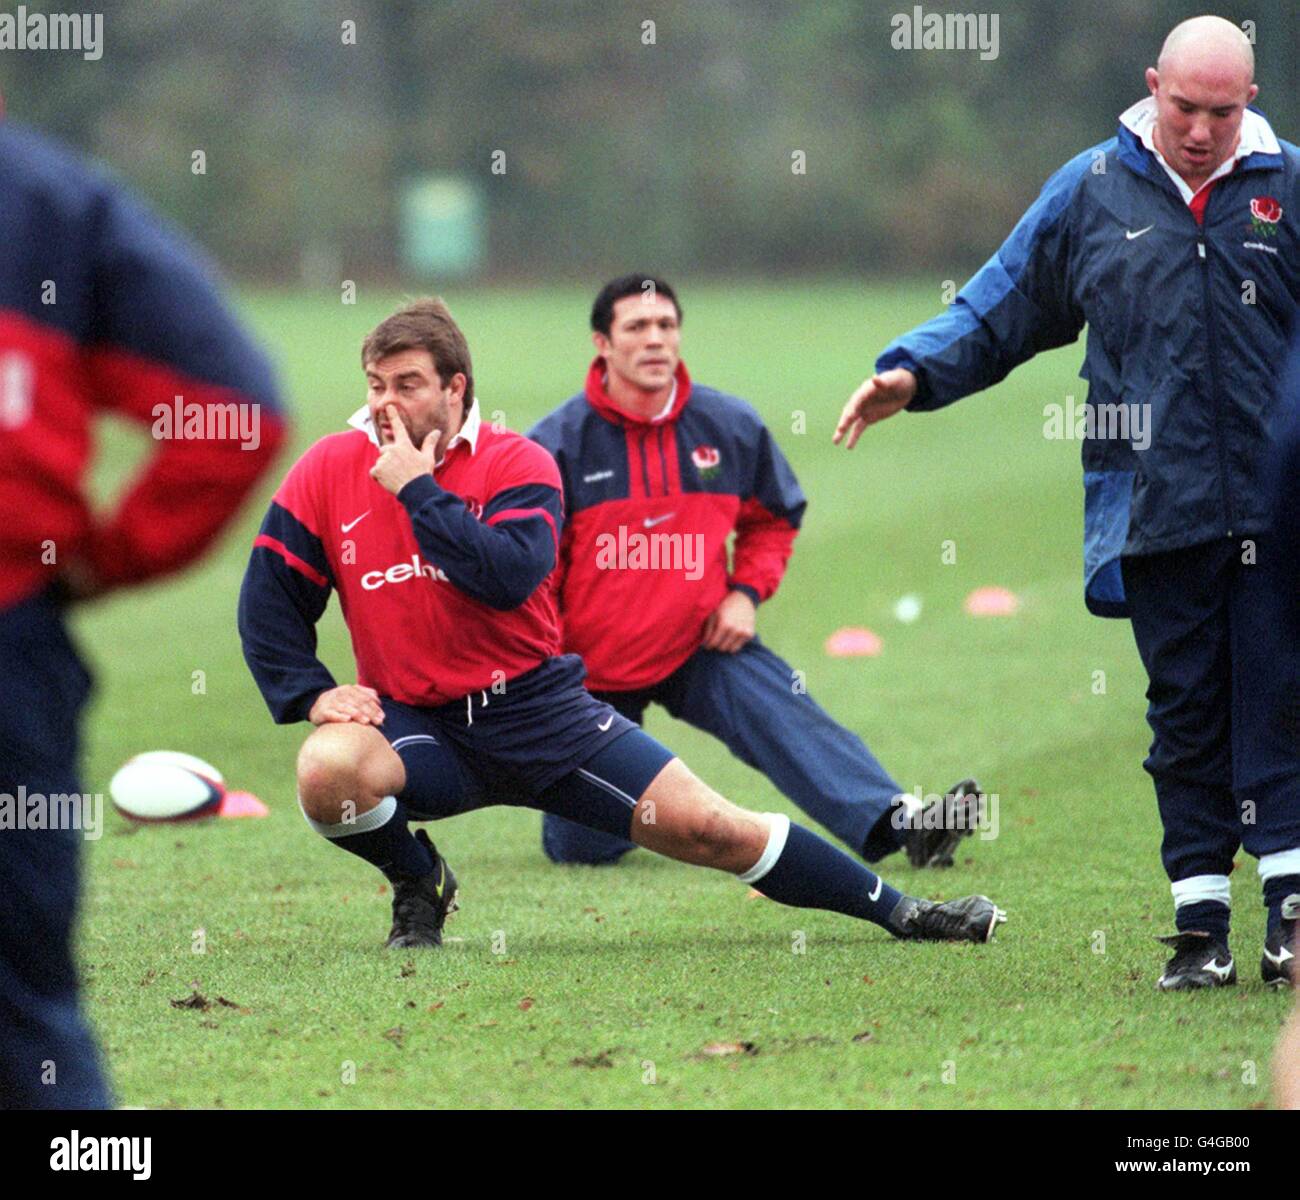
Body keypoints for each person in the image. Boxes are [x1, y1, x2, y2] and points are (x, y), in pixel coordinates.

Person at [238, 297, 1006, 955]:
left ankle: (907, 913)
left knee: (713, 830)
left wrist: (417, 491)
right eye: (375, 386)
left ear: (455, 389)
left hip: (540, 715)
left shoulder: (520, 463)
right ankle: (419, 882)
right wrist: (308, 691)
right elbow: (269, 594)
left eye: (407, 385)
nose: (385, 405)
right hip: (418, 727)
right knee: (326, 770)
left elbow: (507, 577)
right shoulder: (329, 469)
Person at [835, 15, 1298, 990]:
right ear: (1150, 88)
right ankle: (1199, 920)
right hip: (1154, 503)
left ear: (1248, 100)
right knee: (1184, 712)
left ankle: (1289, 915)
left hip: (1278, 503)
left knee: (1281, 696)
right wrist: (912, 371)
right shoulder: (1092, 188)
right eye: (1184, 108)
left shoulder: (1287, 185)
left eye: (1221, 110)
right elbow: (999, 302)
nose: (1203, 129)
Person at [0, 120, 287, 1107]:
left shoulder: (54, 210)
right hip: (11, 642)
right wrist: (91, 566)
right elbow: (236, 412)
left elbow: (230, 416)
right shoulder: (53, 204)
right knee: (25, 1015)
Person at [530, 274, 985, 870]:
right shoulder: (554, 446)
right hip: (590, 670)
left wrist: (744, 593)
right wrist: (550, 671)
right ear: (603, 344)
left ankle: (906, 825)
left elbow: (774, 519)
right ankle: (619, 806)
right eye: (636, 328)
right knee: (581, 850)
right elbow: (530, 571)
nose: (655, 340)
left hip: (699, 640)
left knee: (784, 711)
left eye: (666, 325)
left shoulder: (728, 426)